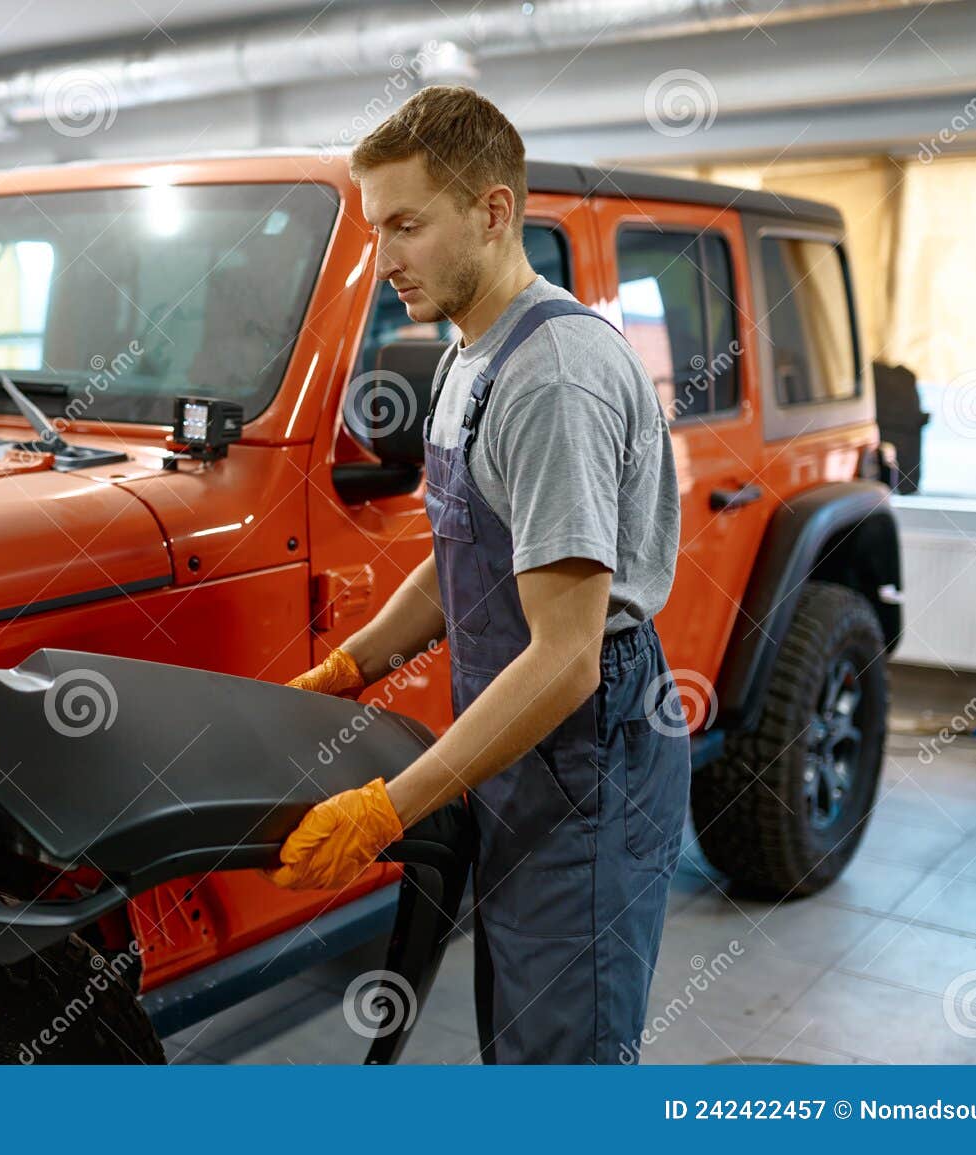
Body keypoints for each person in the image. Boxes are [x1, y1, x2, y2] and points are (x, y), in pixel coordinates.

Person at [265, 85, 692, 1065]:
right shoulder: (469, 354)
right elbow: (467, 548)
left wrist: (388, 808)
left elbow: (565, 660)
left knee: (566, 1054)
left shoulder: (552, 378)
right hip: (521, 750)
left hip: (585, 755)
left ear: (493, 211)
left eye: (406, 225)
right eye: (376, 228)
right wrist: (353, 665)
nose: (384, 258)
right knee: (522, 1031)